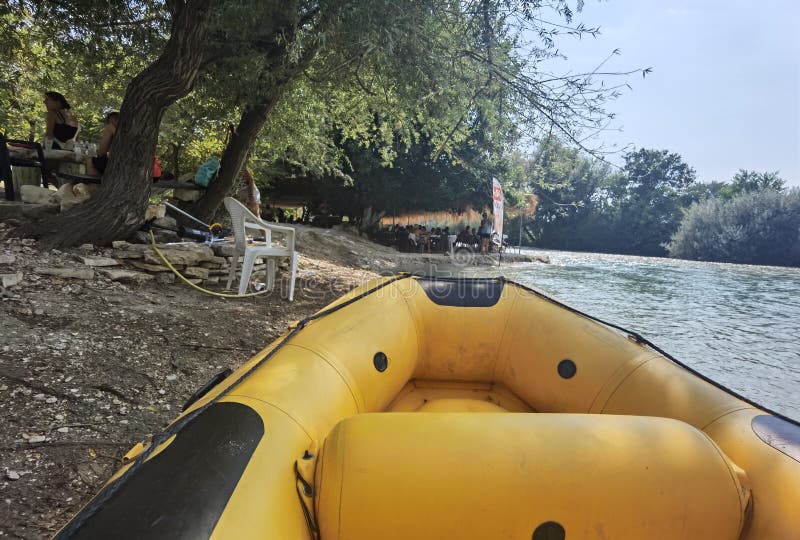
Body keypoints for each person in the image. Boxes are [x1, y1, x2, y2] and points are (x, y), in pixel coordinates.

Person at [85, 111, 119, 177]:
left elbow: (101, 153)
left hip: (118, 163)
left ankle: (105, 179)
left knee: (89, 162)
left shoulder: (110, 128)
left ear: (112, 120)